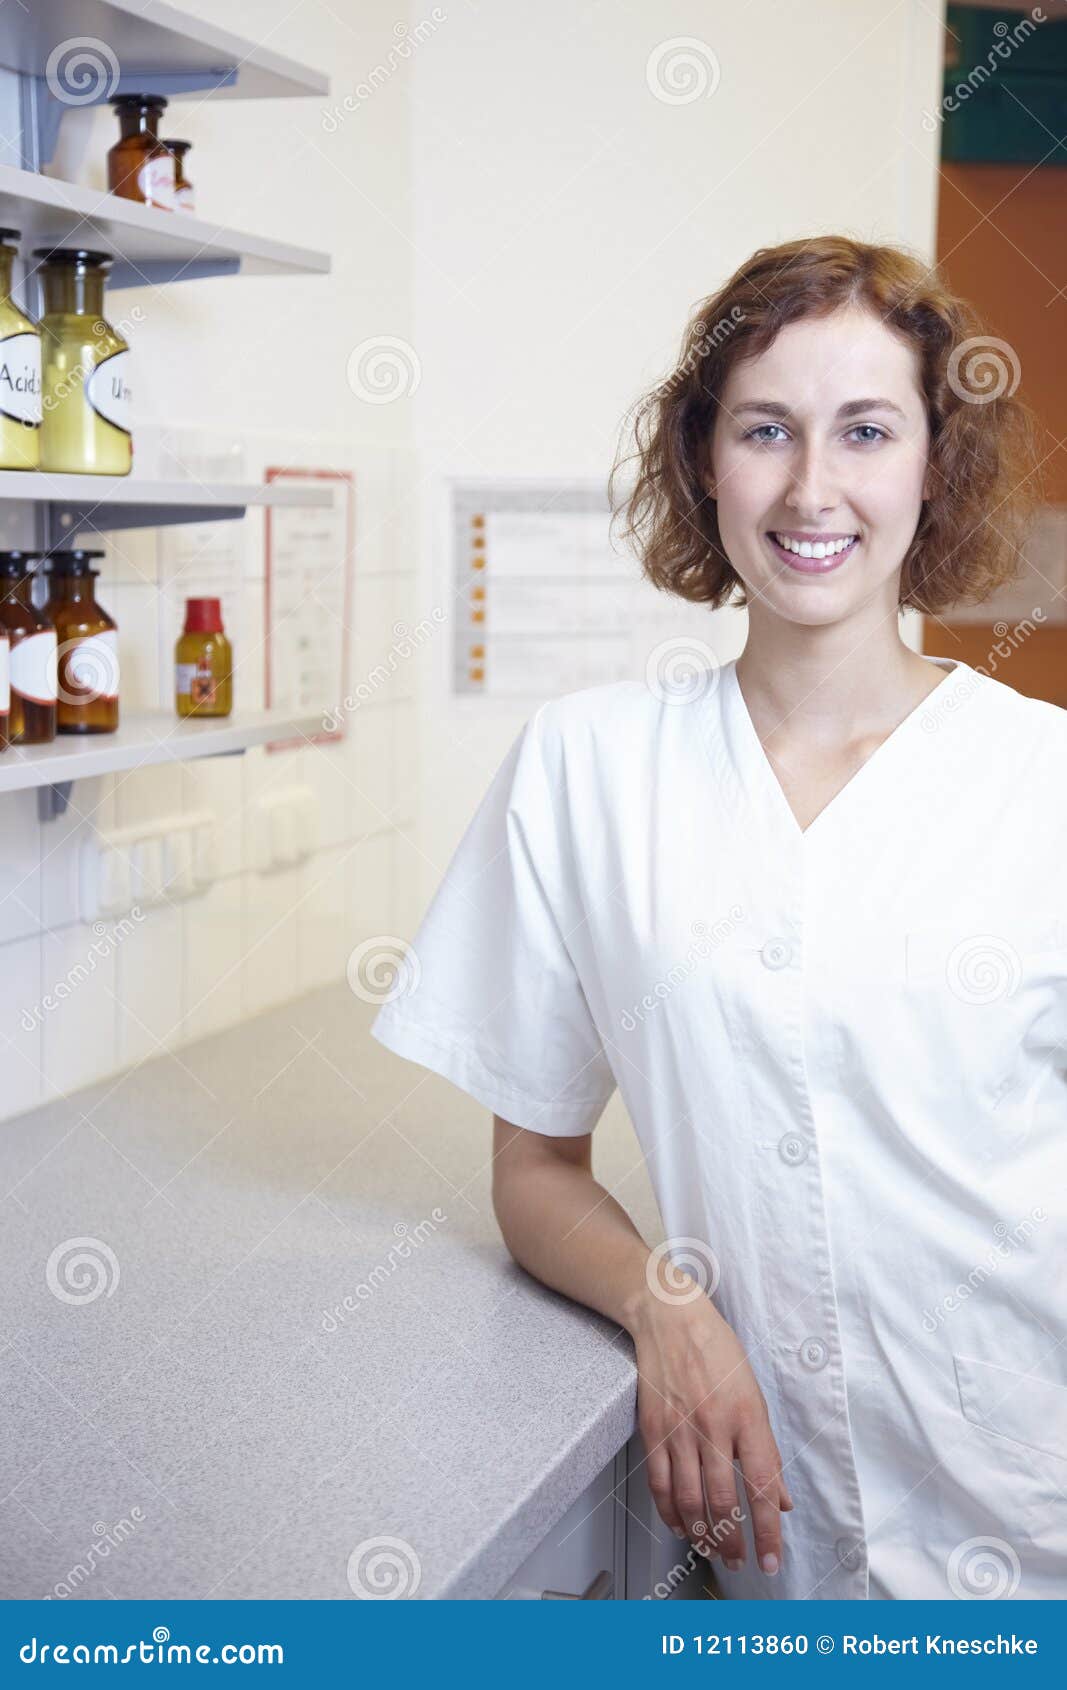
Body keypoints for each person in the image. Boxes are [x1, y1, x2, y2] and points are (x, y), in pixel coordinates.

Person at [370, 235, 1066, 1600]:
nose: (815, 488)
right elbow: (535, 1170)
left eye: (867, 430)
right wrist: (662, 1301)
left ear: (937, 459)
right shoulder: (588, 768)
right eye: (767, 429)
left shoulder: (1045, 782)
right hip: (773, 1544)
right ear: (703, 458)